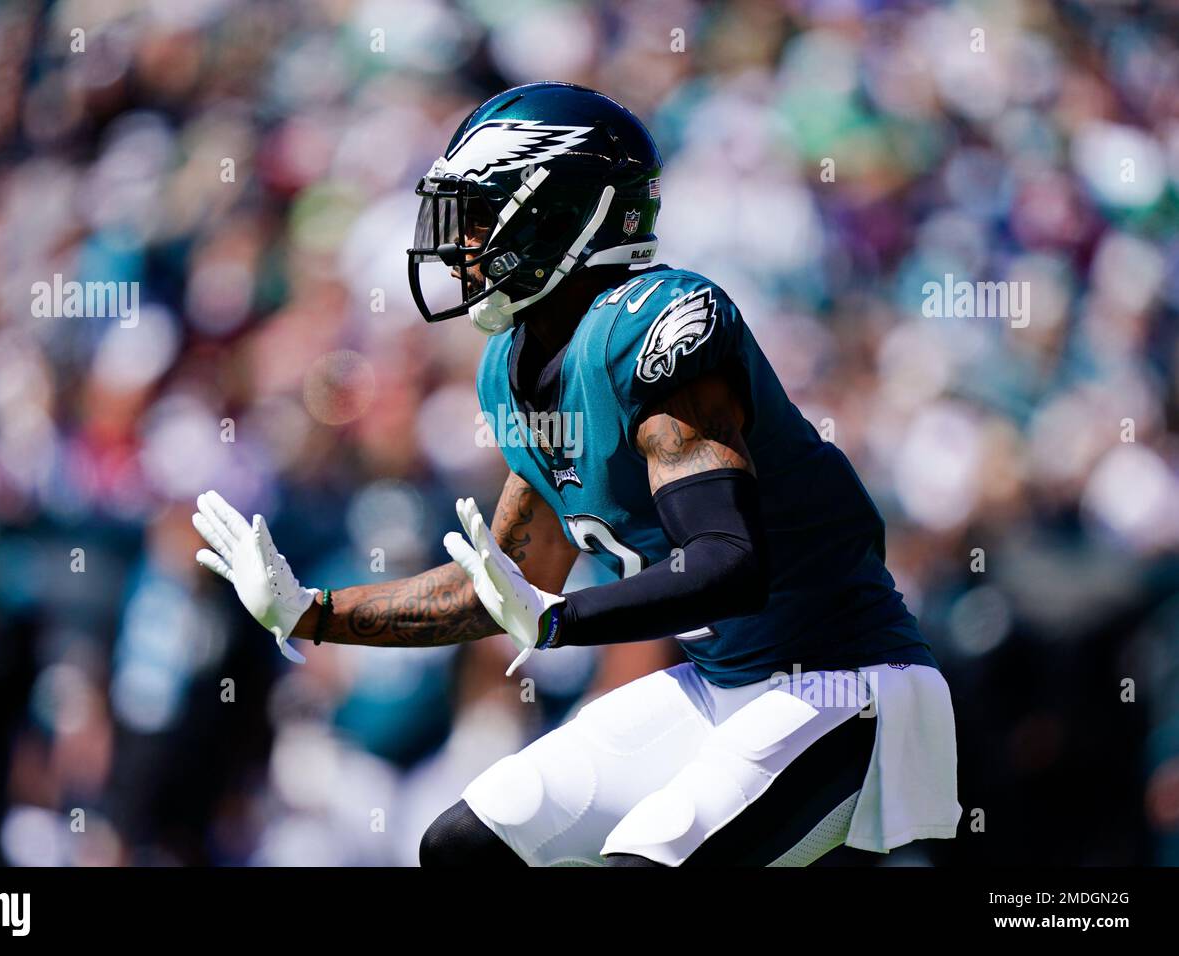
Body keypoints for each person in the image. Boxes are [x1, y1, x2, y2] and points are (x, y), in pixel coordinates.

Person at [193, 81, 960, 867]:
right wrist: (311, 612)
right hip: (722, 686)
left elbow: (729, 562)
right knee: (467, 845)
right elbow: (504, 583)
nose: (462, 246)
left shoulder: (657, 327)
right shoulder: (513, 367)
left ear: (565, 214)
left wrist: (561, 621)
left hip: (842, 684)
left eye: (484, 217)